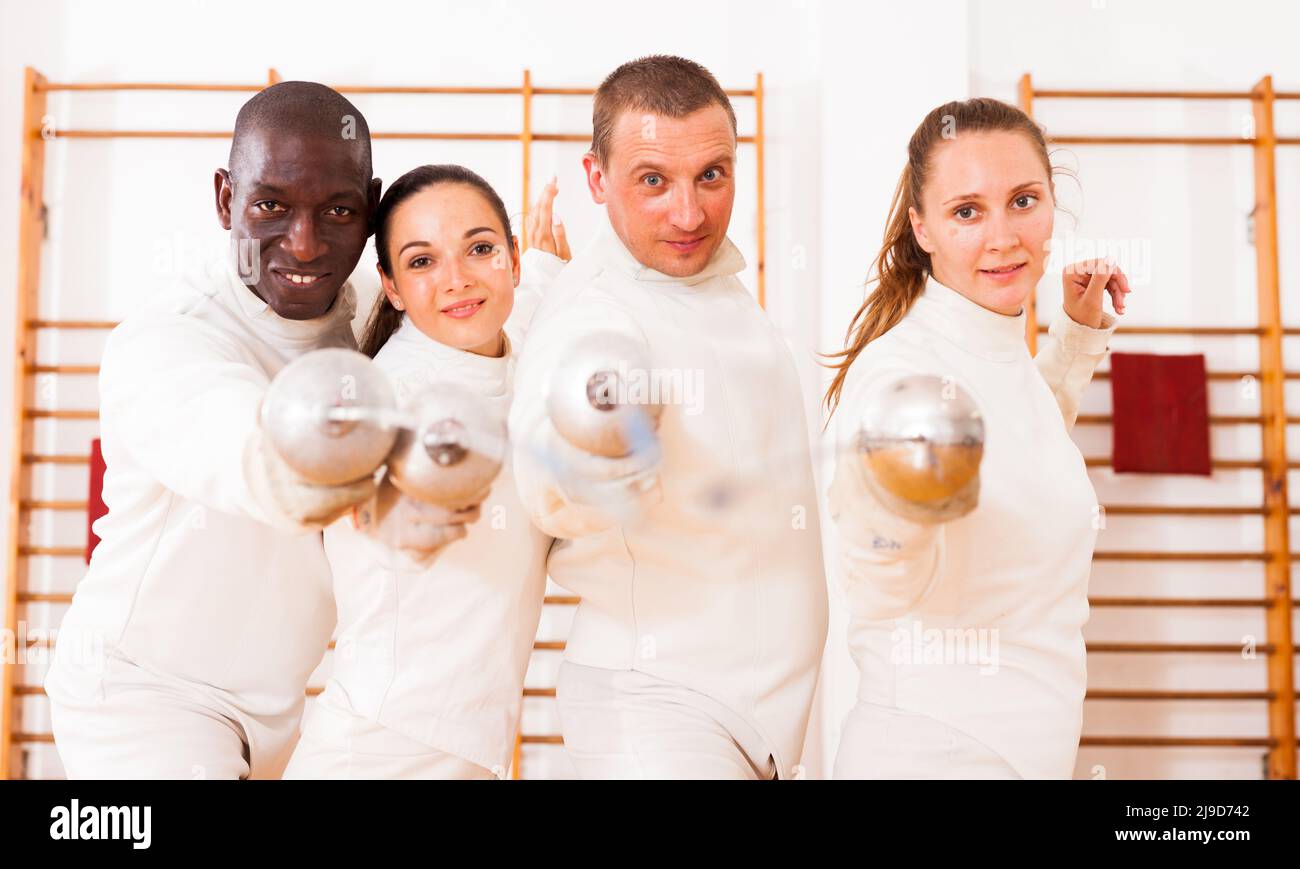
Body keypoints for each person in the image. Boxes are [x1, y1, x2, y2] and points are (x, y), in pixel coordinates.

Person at [46, 82, 456, 779]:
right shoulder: (169, 338)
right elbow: (251, 452)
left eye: (337, 210)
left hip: (284, 713)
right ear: (224, 198)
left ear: (371, 209)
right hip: (143, 698)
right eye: (271, 205)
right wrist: (382, 491)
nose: (303, 243)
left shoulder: (368, 326)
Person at [509, 55, 828, 780]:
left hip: (744, 715)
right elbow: (549, 464)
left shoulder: (709, 284)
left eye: (711, 175)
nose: (690, 214)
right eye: (653, 180)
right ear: (597, 180)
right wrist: (597, 444)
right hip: (658, 717)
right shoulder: (598, 315)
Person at [824, 97, 1131, 779]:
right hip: (935, 754)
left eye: (1024, 201)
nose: (1003, 236)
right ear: (921, 227)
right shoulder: (902, 377)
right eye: (966, 211)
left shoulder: (990, 348)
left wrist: (1076, 336)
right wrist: (897, 509)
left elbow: (1019, 447)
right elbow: (876, 583)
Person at [282, 167, 569, 779]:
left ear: (513, 259)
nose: (458, 279)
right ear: (390, 287)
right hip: (380, 750)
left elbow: (523, 314)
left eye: (481, 249)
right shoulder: (395, 396)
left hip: (466, 751)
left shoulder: (508, 350)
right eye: (421, 263)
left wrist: (549, 272)